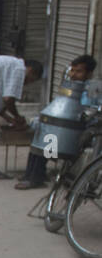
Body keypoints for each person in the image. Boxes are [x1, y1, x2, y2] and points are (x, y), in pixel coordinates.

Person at [16, 54, 98, 189]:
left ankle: (36, 178)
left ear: (89, 74)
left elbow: (91, 109)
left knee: (47, 142)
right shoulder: (68, 86)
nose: (73, 74)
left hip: (79, 127)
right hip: (63, 123)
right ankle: (32, 175)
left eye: (79, 71)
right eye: (72, 70)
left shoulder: (91, 90)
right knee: (39, 141)